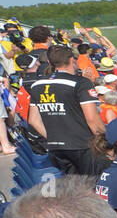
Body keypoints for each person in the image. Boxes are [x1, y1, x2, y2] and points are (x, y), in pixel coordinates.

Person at [23, 44, 107, 176]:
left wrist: (54, 137)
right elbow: (93, 120)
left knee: (74, 189)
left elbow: (33, 120)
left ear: (50, 62)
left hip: (56, 147)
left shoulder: (37, 84)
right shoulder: (81, 83)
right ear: (73, 60)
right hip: (84, 146)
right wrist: (107, 143)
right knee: (96, 186)